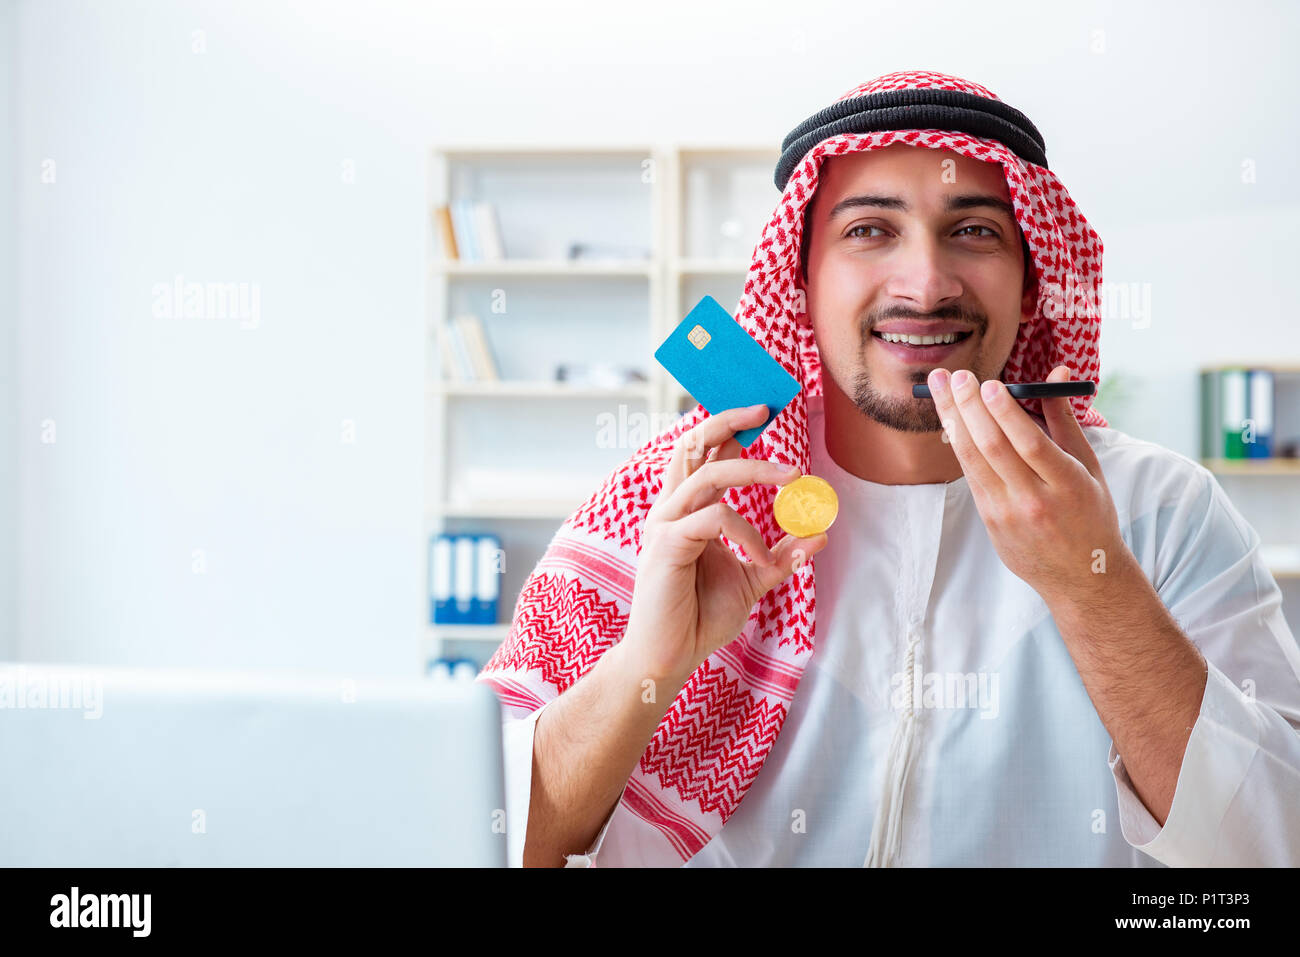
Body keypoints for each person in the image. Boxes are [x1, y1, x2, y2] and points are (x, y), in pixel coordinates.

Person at [476, 70, 1300, 867]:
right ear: (801, 277)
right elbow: (489, 833)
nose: (926, 283)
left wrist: (1095, 586)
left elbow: (1273, 846)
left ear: (1033, 276)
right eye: (869, 230)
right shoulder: (680, 508)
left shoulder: (1160, 512)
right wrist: (647, 667)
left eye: (974, 230)